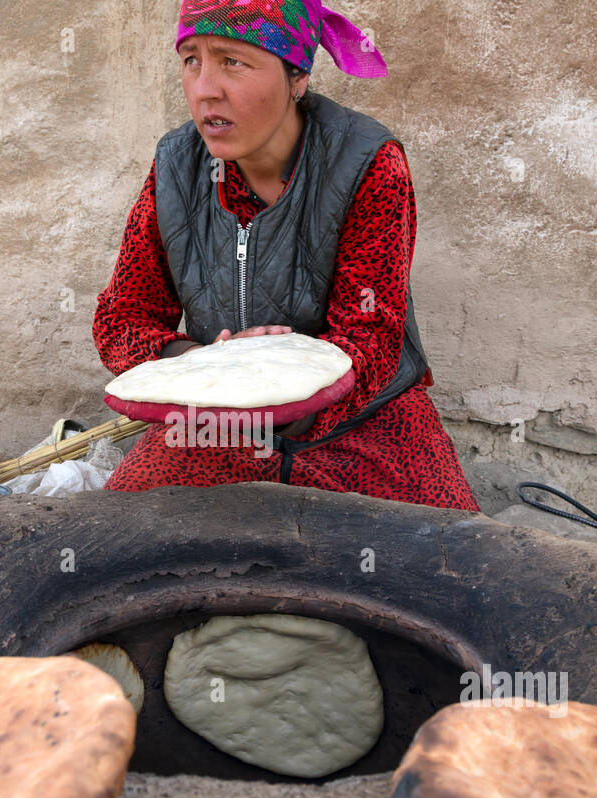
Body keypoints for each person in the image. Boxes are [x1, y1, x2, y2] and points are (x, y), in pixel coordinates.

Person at [92, 0, 480, 512]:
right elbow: (122, 319)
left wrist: (284, 377)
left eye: (233, 61)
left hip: (360, 422)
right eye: (191, 59)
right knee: (124, 539)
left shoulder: (367, 162)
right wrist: (208, 365)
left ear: (296, 75)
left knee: (444, 560)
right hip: (219, 423)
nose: (205, 87)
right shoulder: (176, 167)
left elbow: (372, 339)